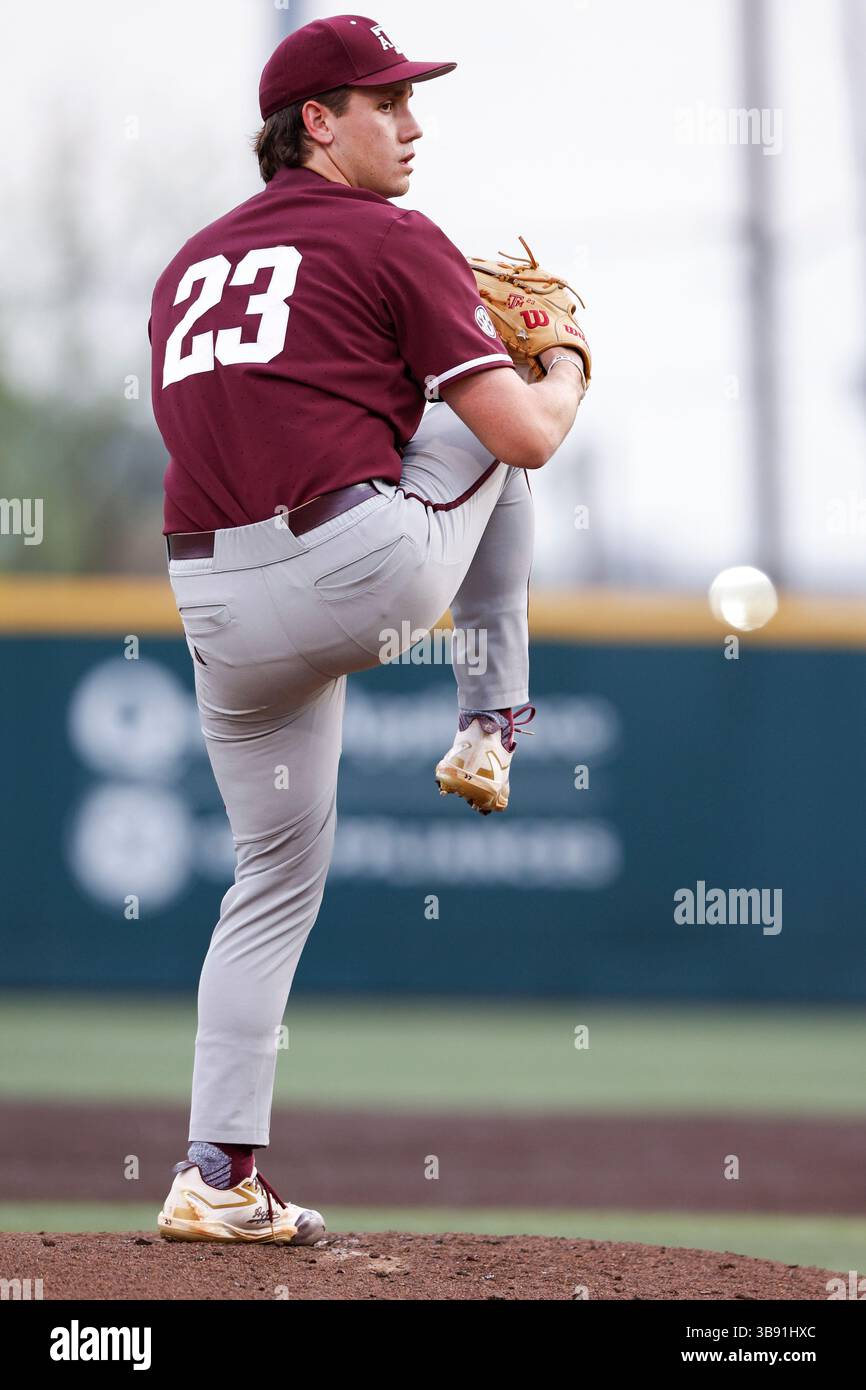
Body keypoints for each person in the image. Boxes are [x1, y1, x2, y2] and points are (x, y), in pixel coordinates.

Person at [147, 13, 588, 1245]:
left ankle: (214, 1175)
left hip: (215, 609)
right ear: (314, 125)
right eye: (383, 102)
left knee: (268, 880)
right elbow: (526, 435)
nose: (411, 123)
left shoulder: (185, 267)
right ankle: (490, 719)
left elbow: (269, 408)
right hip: (353, 568)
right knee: (508, 453)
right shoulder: (395, 236)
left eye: (409, 100)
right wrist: (564, 365)